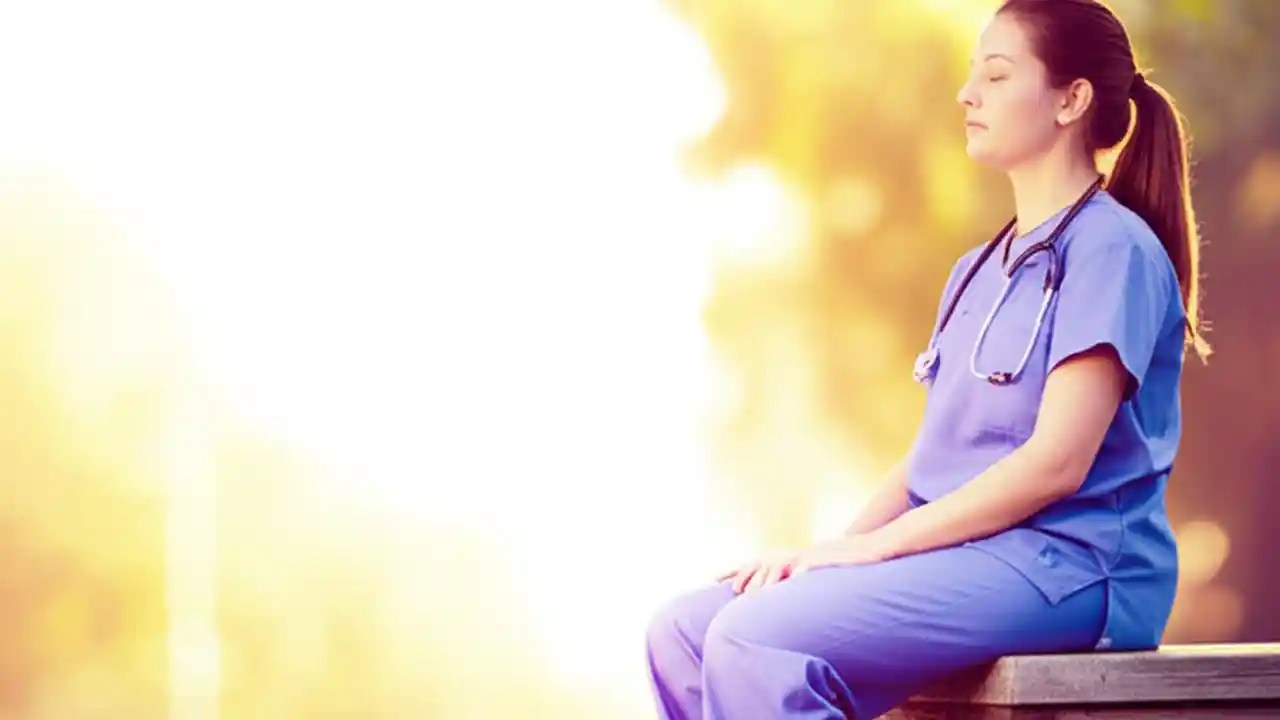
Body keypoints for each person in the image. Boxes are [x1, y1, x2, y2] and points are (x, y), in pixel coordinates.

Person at [644, 1, 1212, 718]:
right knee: (683, 633)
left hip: (1070, 566)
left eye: (996, 76)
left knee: (755, 638)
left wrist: (875, 552)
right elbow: (930, 460)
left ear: (1071, 100)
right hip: (971, 558)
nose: (967, 94)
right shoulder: (977, 270)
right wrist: (825, 553)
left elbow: (1057, 463)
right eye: (973, 75)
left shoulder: (1112, 250)